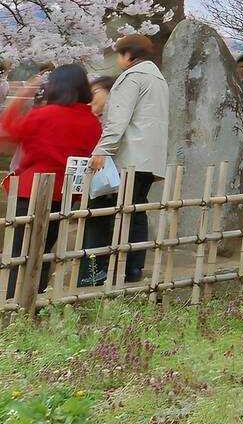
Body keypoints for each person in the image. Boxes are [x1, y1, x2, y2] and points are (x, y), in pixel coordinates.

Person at [3, 64, 100, 299]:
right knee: (44, 250)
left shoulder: (43, 115)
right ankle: (35, 298)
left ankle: (12, 301)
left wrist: (26, 92)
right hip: (64, 191)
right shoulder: (93, 124)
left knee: (19, 250)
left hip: (30, 187)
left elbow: (8, 129)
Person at [88, 33, 169, 285]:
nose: (119, 60)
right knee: (137, 210)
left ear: (128, 55)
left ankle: (119, 269)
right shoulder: (158, 78)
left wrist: (102, 150)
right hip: (150, 157)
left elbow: (117, 120)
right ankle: (134, 269)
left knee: (123, 212)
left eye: (119, 54)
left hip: (131, 156)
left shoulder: (132, 77)